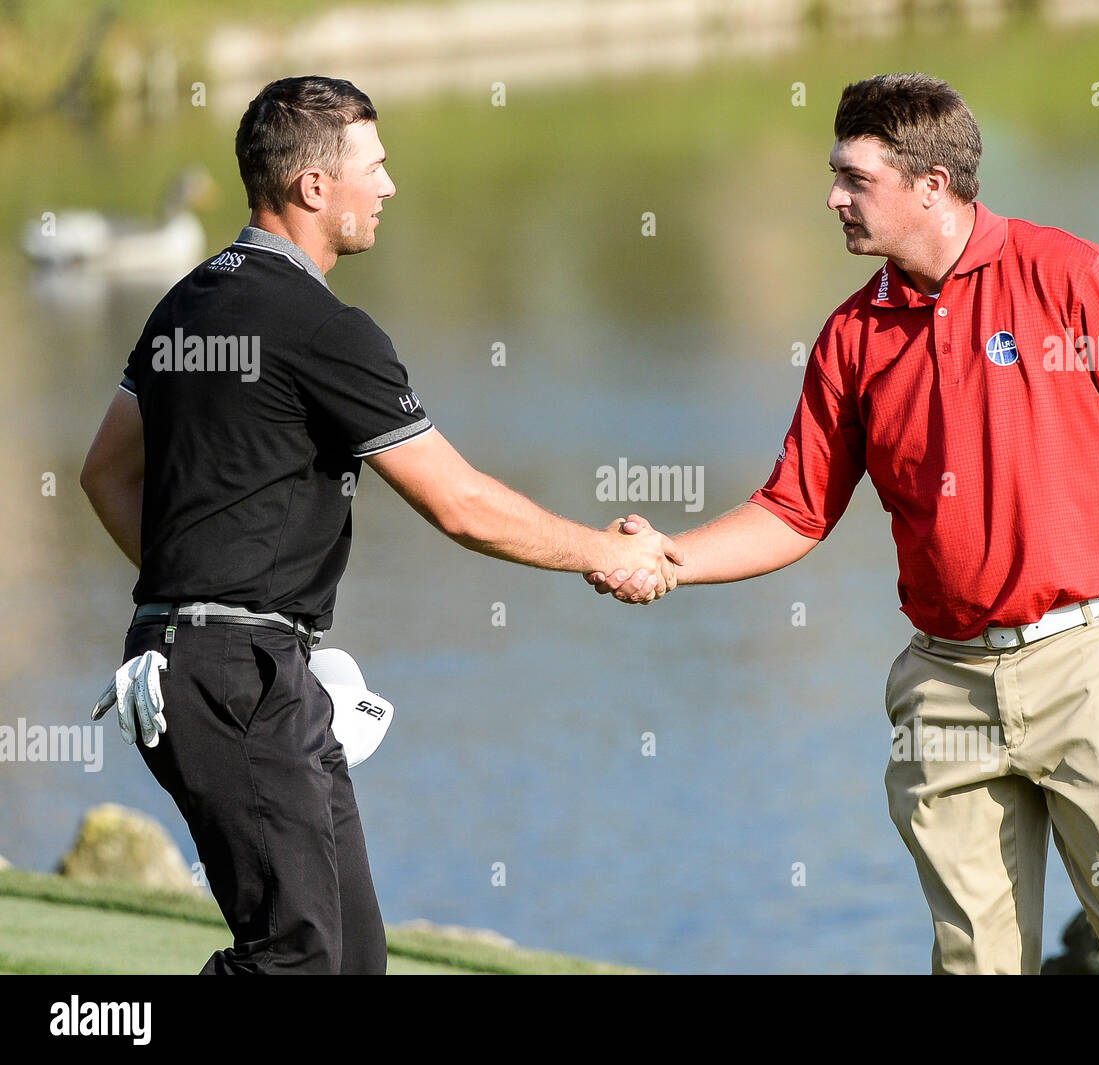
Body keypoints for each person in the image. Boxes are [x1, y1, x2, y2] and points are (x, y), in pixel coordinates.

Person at [588, 72, 1099, 974]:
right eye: (835, 175)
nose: (834, 198)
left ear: (931, 184)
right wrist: (670, 557)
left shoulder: (1075, 277)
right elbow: (793, 511)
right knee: (973, 960)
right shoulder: (852, 336)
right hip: (947, 681)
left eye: (855, 178)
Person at [80, 75, 680, 975]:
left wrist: (191, 603)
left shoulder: (186, 303)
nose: (390, 185)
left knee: (352, 958)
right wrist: (606, 551)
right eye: (376, 165)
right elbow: (460, 504)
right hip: (235, 680)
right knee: (301, 960)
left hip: (234, 667)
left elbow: (104, 472)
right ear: (315, 187)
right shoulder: (326, 328)